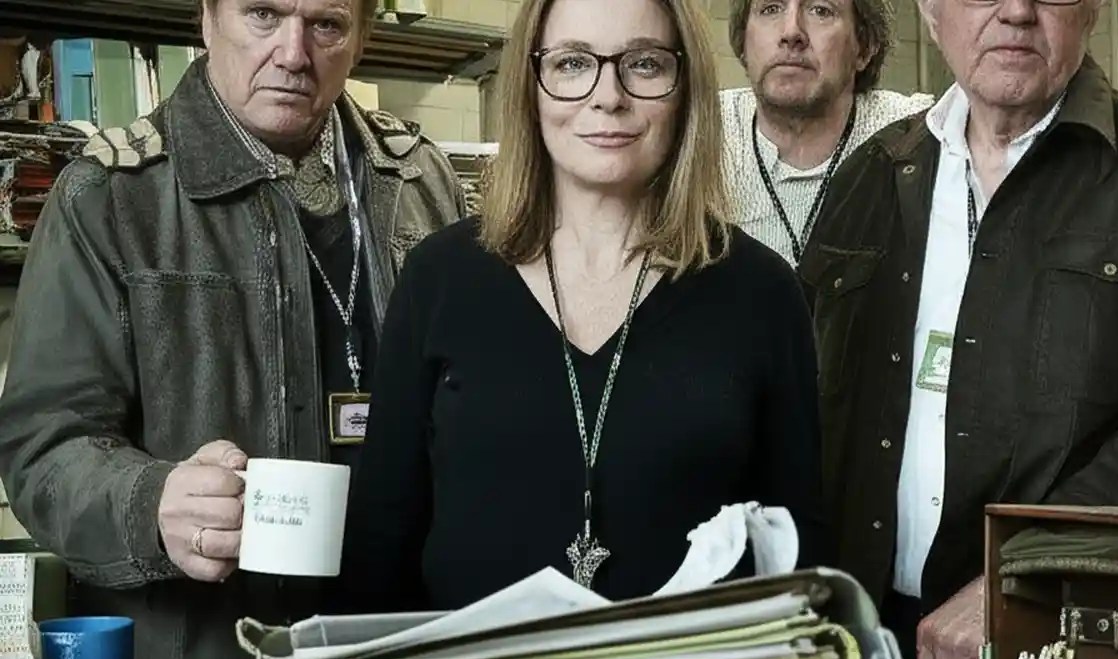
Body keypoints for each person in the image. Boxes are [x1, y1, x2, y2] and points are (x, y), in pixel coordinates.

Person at [798, 0, 1118, 659]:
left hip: (1067, 652)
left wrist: (1015, 576)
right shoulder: (873, 175)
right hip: (868, 653)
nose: (1017, 11)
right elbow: (811, 408)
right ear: (932, 13)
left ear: (1094, 10)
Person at [0, 0, 465, 659]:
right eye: (263, 15)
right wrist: (152, 503)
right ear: (207, 17)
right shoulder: (111, 194)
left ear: (363, 35)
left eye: (327, 25)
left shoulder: (421, 181)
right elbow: (42, 446)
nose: (293, 54)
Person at [336, 0, 826, 613]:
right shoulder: (438, 279)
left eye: (644, 64)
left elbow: (797, 557)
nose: (608, 96)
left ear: (686, 89)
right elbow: (380, 547)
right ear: (530, 86)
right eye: (572, 63)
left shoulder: (762, 293)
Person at [720, 0, 933, 266]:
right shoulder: (701, 131)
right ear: (743, 44)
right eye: (770, 8)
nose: (791, 32)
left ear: (864, 48)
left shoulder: (916, 136)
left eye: (821, 10)